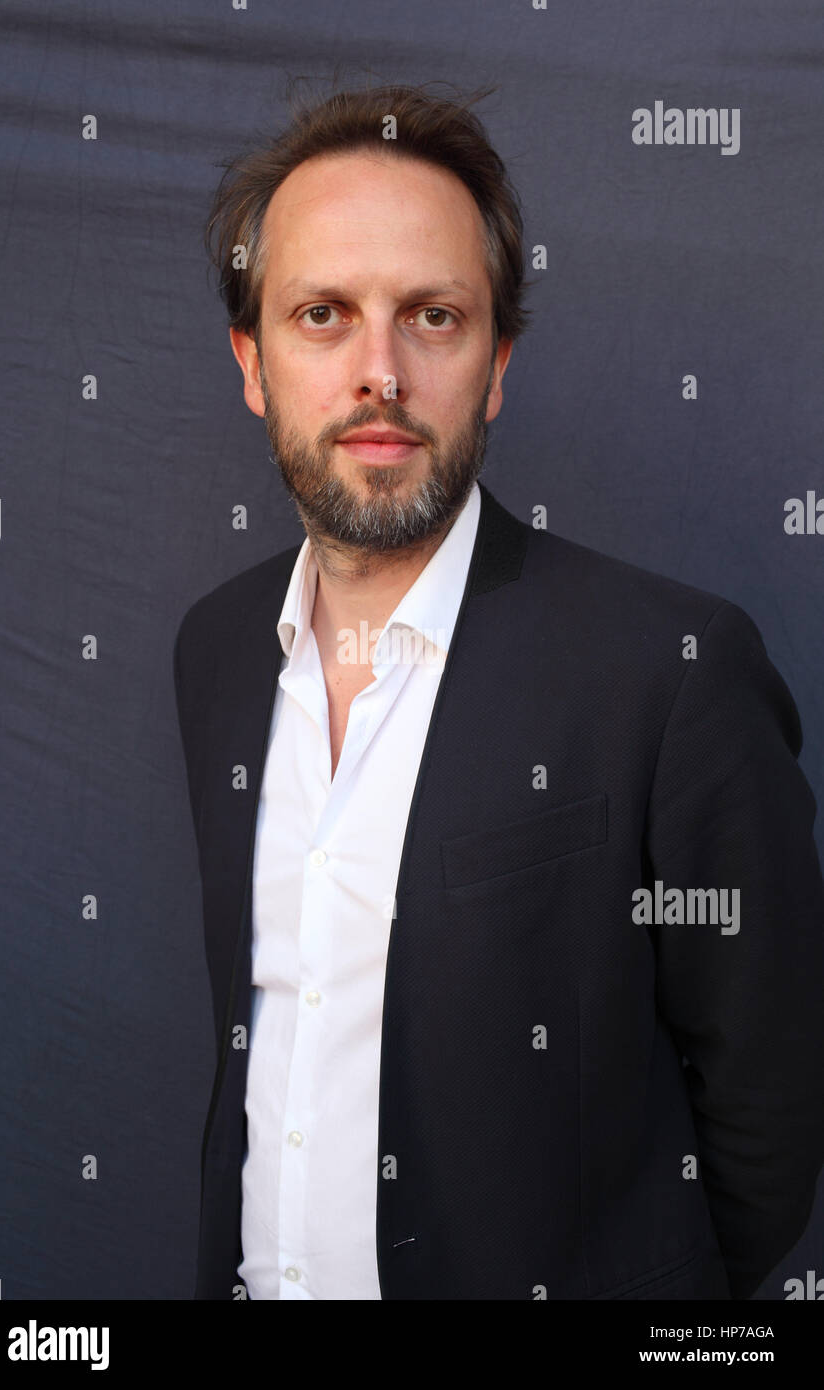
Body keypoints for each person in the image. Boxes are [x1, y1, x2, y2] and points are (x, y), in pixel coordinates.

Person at [173, 84, 824, 1300]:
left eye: (432, 315)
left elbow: (767, 1111)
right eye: (323, 315)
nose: (380, 372)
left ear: (496, 363)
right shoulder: (213, 653)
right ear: (252, 363)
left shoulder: (671, 673)